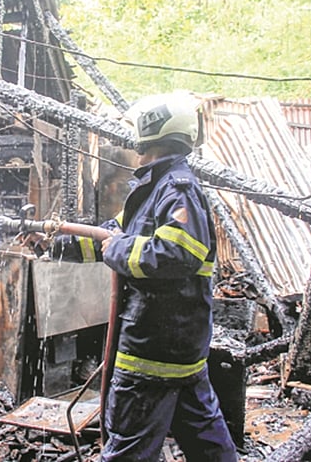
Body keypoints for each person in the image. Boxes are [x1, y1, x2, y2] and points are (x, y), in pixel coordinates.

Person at [32, 91, 237, 461]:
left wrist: (117, 250)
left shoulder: (176, 189)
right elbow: (109, 236)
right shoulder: (156, 188)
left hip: (152, 348)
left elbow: (176, 254)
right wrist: (55, 244)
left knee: (127, 448)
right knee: (208, 444)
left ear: (152, 131)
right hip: (177, 348)